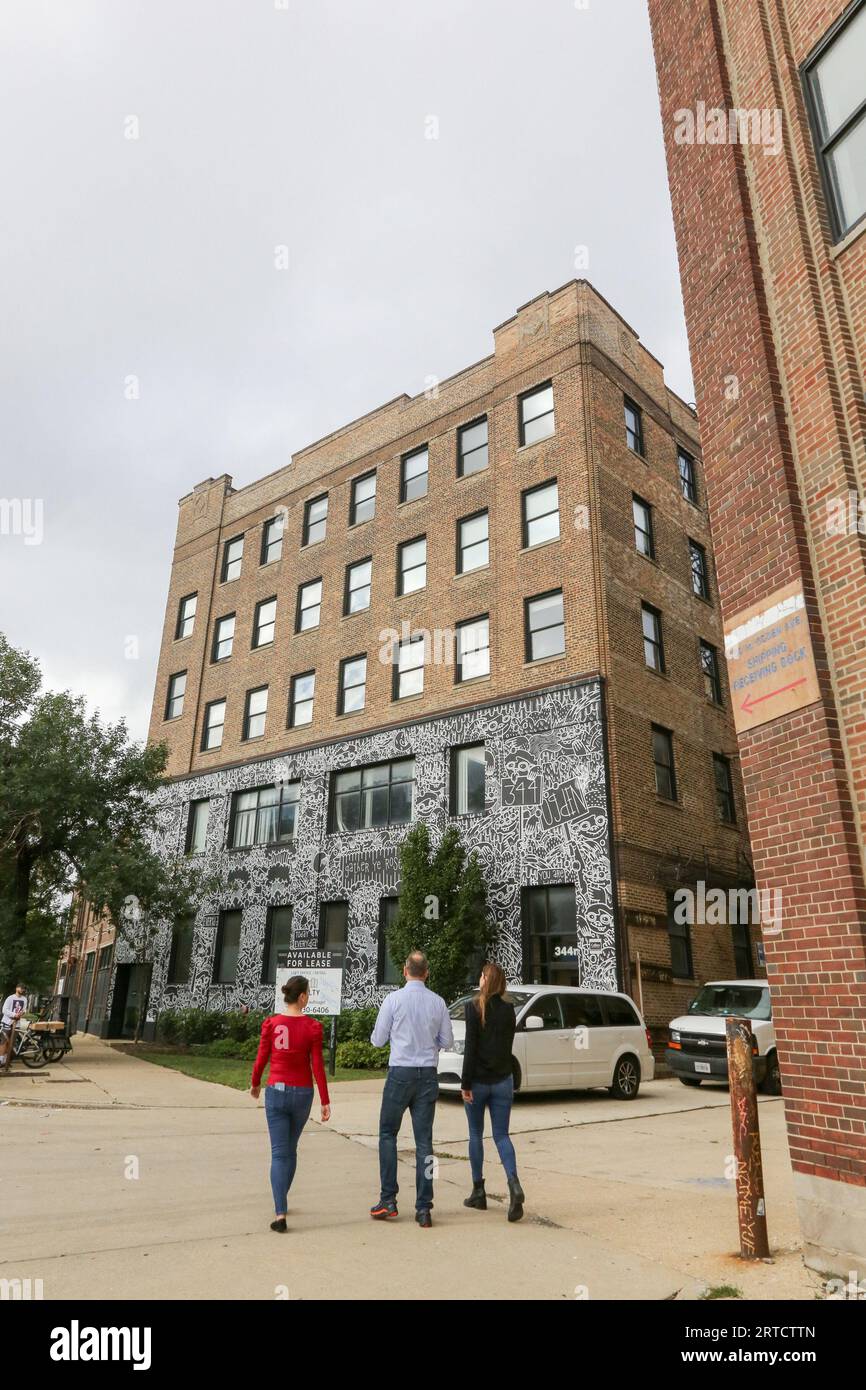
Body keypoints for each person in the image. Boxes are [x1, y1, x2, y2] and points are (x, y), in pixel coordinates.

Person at [369, 950, 453, 1228]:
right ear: (426, 972)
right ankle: (424, 1207)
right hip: (428, 1075)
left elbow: (378, 1040)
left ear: (405, 971)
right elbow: (447, 1040)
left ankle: (388, 1199)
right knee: (425, 1142)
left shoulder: (393, 1000)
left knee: (387, 1134)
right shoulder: (438, 1003)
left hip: (400, 1073)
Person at [250, 975, 331, 1232]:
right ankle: (281, 1196)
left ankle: (280, 1212)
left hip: (276, 1091)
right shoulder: (312, 1027)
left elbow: (262, 1057)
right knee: (290, 1150)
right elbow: (317, 1065)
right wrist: (325, 1101)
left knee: (279, 1153)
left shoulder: (272, 1024)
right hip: (303, 1094)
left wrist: (255, 1083)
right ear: (303, 997)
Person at [460, 962, 525, 1222]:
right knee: (501, 1135)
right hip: (502, 1080)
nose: (479, 978)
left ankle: (478, 1191)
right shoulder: (510, 1010)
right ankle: (514, 1183)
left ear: (486, 980)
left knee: (475, 1133)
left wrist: (465, 1084)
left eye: (482, 975)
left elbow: (471, 1048)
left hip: (478, 1081)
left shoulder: (473, 1007)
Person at [0, 984, 27, 1071]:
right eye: (21, 988)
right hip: (7, 1022)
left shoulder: (24, 999)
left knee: (11, 1043)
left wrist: (21, 1014)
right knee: (4, 1042)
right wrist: (14, 1015)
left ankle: (6, 1061)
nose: (22, 989)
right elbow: (4, 1010)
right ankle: (0, 1060)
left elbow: (24, 1009)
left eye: (24, 988)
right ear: (16, 988)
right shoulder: (10, 998)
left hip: (17, 1024)